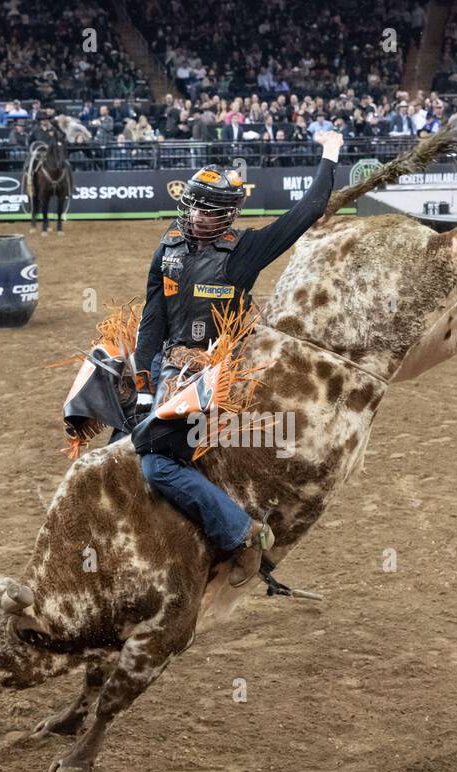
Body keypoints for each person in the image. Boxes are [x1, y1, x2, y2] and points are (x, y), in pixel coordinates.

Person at [130, 130, 345, 588]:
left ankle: (241, 532)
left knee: (155, 463)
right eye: (191, 206)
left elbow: (306, 211)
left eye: (205, 210)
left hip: (219, 372)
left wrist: (331, 151)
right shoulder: (166, 251)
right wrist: (145, 387)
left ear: (226, 215)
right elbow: (152, 323)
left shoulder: (245, 251)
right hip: (173, 369)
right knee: (123, 442)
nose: (194, 216)